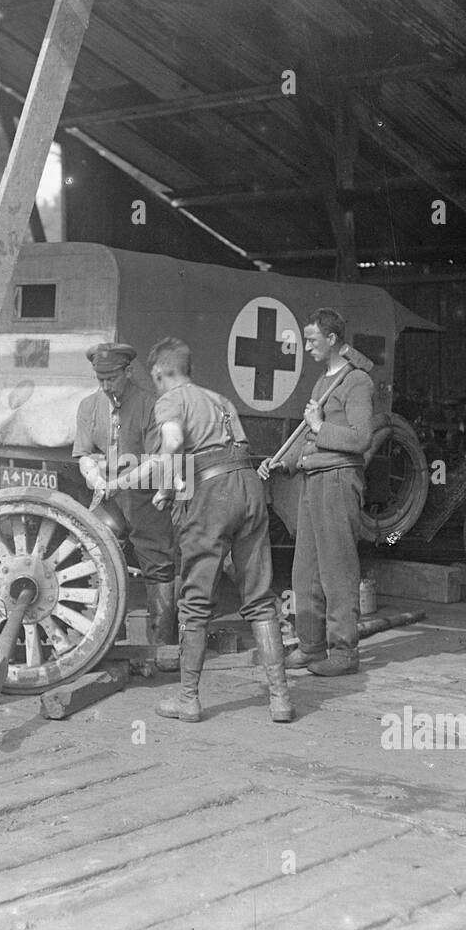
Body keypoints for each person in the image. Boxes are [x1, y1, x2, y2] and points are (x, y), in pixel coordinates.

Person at [106, 337, 291, 723]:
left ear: (159, 373)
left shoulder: (170, 400)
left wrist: (127, 480)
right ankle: (280, 699)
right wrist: (168, 489)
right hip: (248, 487)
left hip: (212, 498)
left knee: (196, 596)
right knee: (258, 594)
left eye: (154, 378)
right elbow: (229, 450)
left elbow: (173, 444)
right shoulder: (220, 400)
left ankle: (188, 699)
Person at [258, 308, 375, 677]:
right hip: (312, 480)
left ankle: (344, 652)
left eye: (311, 339)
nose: (305, 345)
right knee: (305, 569)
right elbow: (306, 436)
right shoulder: (323, 383)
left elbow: (360, 438)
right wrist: (282, 463)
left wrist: (321, 425)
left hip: (339, 481)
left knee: (338, 571)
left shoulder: (357, 383)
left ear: (333, 339)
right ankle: (311, 646)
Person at [73, 342, 177, 656]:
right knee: (103, 563)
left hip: (144, 498)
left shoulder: (151, 405)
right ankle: (108, 646)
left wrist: (118, 482)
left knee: (158, 567)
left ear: (128, 372)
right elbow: (84, 454)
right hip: (109, 500)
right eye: (100, 379)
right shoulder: (88, 406)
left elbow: (157, 461)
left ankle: (164, 649)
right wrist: (95, 478)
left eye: (112, 379)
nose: (105, 386)